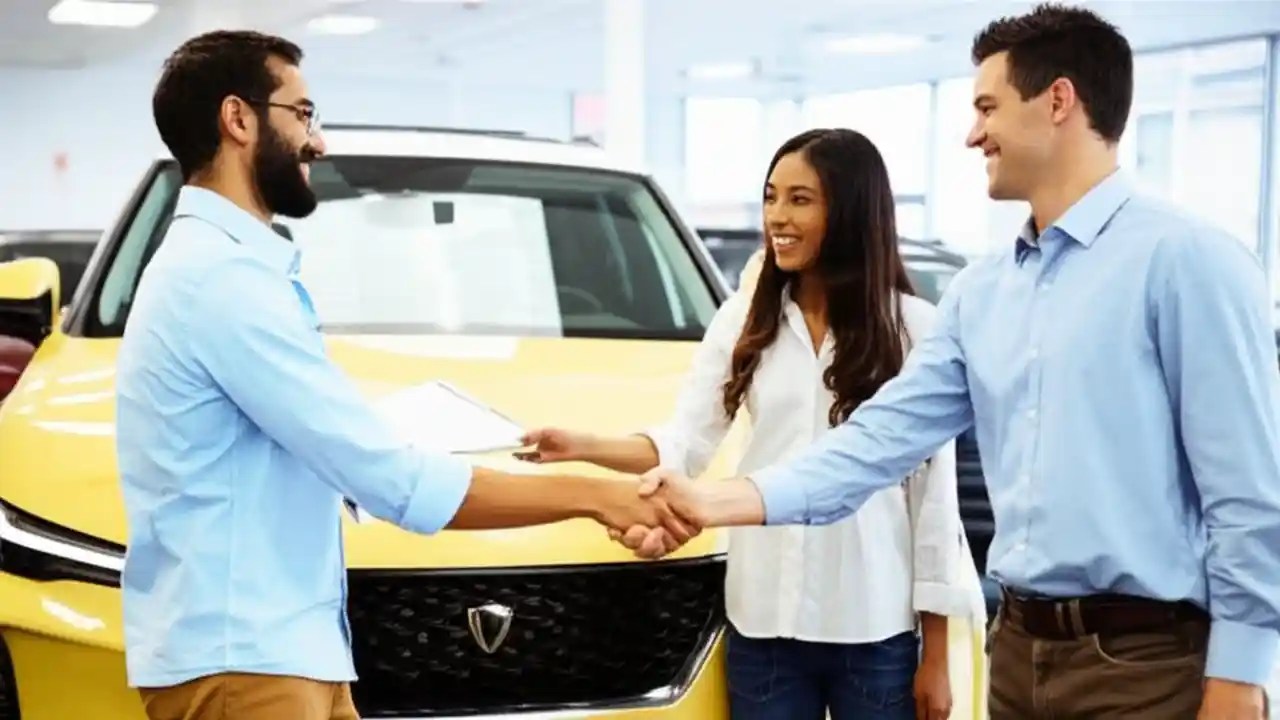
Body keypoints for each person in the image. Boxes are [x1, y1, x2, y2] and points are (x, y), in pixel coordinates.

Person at [616, 4, 1280, 719]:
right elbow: (874, 444)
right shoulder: (983, 292)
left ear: (1059, 100)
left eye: (987, 107)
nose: (972, 133)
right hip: (1017, 653)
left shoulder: (1186, 262)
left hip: (1146, 665)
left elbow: (1248, 494)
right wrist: (713, 500)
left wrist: (1241, 674)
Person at [113, 30, 691, 720]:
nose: (318, 142)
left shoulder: (230, 270)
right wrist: (597, 496)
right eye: (303, 113)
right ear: (238, 119)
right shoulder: (220, 280)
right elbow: (392, 481)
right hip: (247, 660)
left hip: (285, 649)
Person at [518, 128, 983, 720]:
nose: (777, 218)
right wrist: (583, 445)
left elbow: (935, 504)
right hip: (762, 625)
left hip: (873, 627)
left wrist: (936, 654)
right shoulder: (745, 318)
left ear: (850, 210)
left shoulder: (915, 328)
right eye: (770, 197)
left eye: (800, 199)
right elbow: (683, 443)